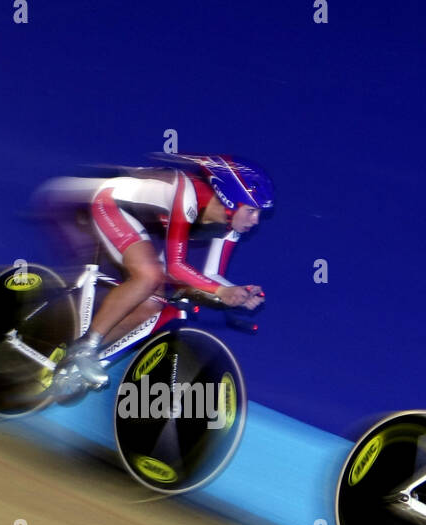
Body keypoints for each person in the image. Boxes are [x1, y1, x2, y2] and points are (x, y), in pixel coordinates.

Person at [49, 153, 274, 393]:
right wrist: (220, 291)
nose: (256, 220)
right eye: (251, 210)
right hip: (109, 202)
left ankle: (81, 359)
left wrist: (236, 293)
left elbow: (212, 275)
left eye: (259, 213)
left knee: (152, 306)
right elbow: (177, 266)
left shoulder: (231, 228)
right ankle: (84, 348)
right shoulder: (188, 194)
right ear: (229, 201)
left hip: (139, 221)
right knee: (149, 276)